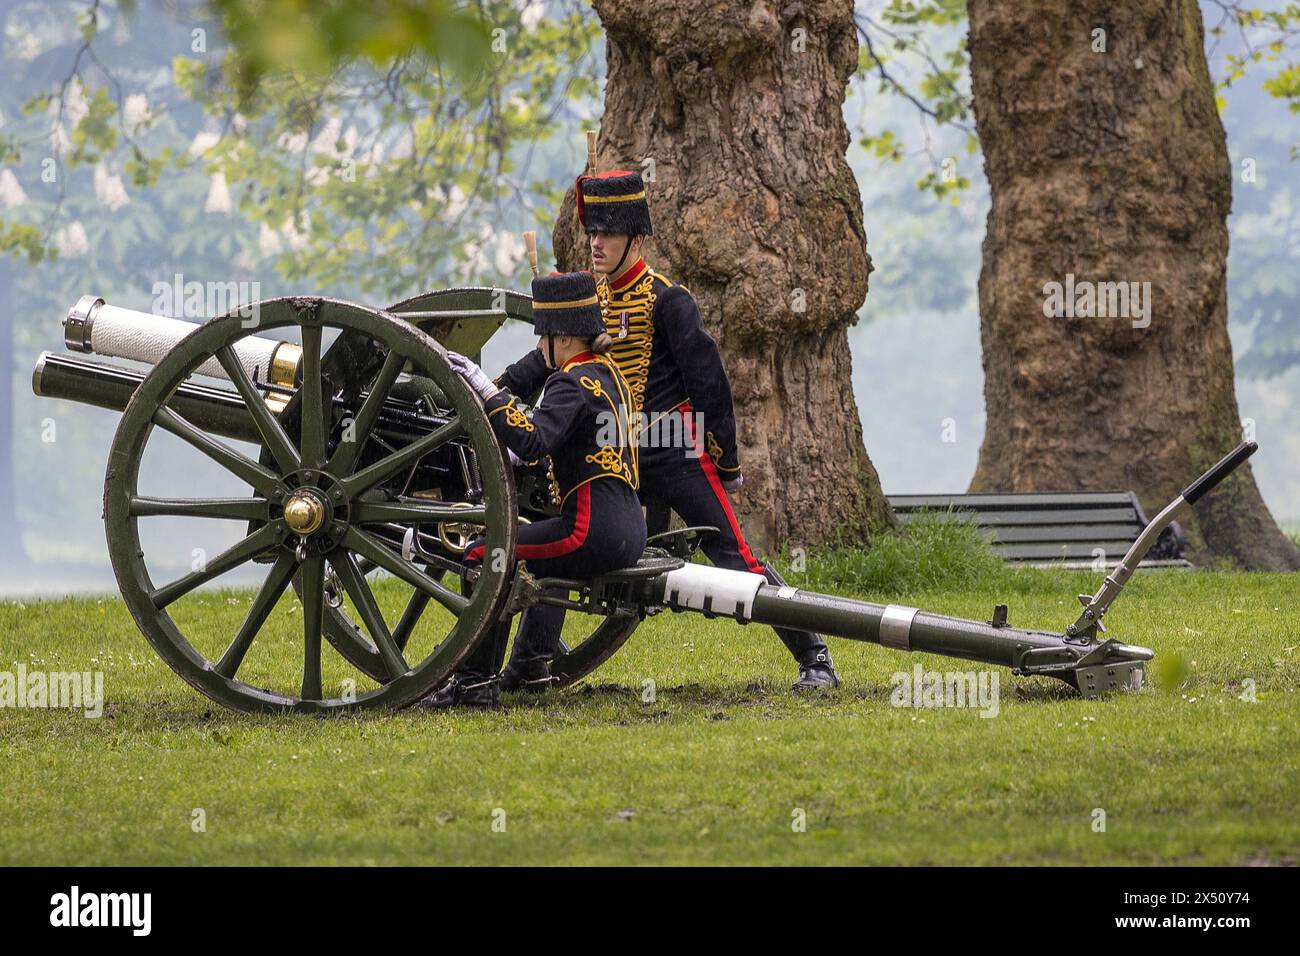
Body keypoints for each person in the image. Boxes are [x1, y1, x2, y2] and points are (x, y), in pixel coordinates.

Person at [497, 168, 840, 692]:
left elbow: (710, 385)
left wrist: (724, 462)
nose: (595, 244)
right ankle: (531, 666)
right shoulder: (586, 300)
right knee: (561, 534)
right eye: (592, 233)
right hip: (608, 456)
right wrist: (489, 391)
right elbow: (541, 361)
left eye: (607, 234)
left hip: (670, 448)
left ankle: (814, 657)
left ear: (635, 237)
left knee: (734, 557)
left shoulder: (668, 299)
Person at [420, 271, 646, 709]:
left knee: (485, 555)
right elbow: (566, 445)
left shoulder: (569, 381)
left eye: (543, 337)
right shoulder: (610, 376)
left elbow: (533, 438)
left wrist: (487, 391)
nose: (539, 348)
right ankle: (529, 665)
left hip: (589, 531)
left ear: (560, 338)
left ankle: (472, 685)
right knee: (540, 559)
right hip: (629, 530)